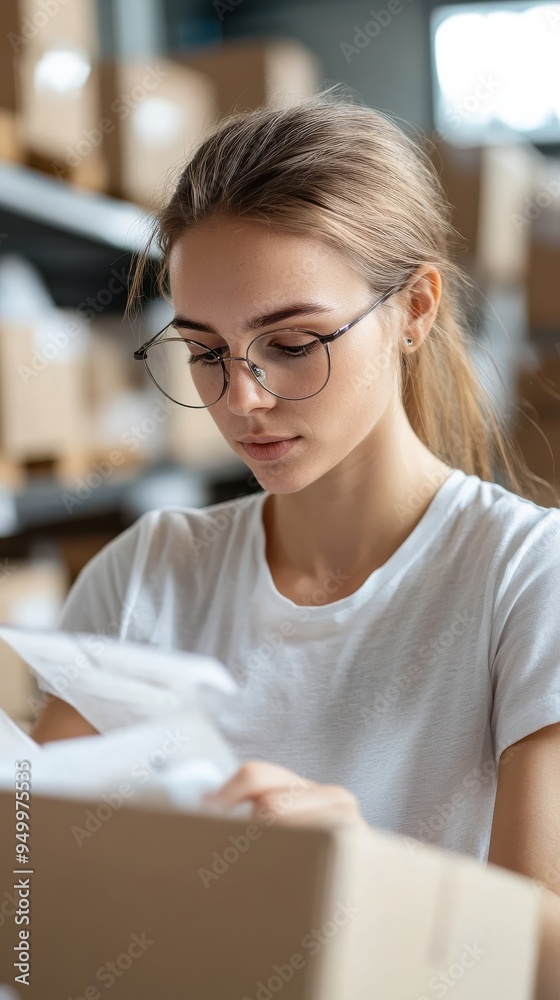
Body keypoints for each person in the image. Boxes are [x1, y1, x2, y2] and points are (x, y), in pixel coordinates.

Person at [31, 91, 560, 926]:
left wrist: (370, 880)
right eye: (205, 350)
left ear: (414, 310)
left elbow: (545, 956)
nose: (241, 398)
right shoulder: (148, 574)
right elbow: (35, 903)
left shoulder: (525, 577)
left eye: (292, 343)